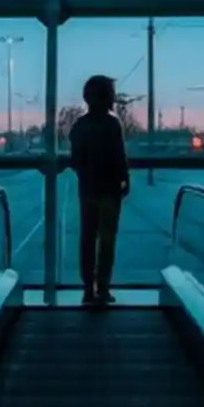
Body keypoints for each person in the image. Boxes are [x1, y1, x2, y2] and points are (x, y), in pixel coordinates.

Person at [69, 75, 130, 305]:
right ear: (108, 97)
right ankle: (103, 288)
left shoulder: (80, 125)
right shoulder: (113, 124)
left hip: (88, 189)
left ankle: (87, 288)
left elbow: (75, 160)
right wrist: (125, 179)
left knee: (87, 238)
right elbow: (119, 157)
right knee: (107, 241)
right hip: (110, 190)